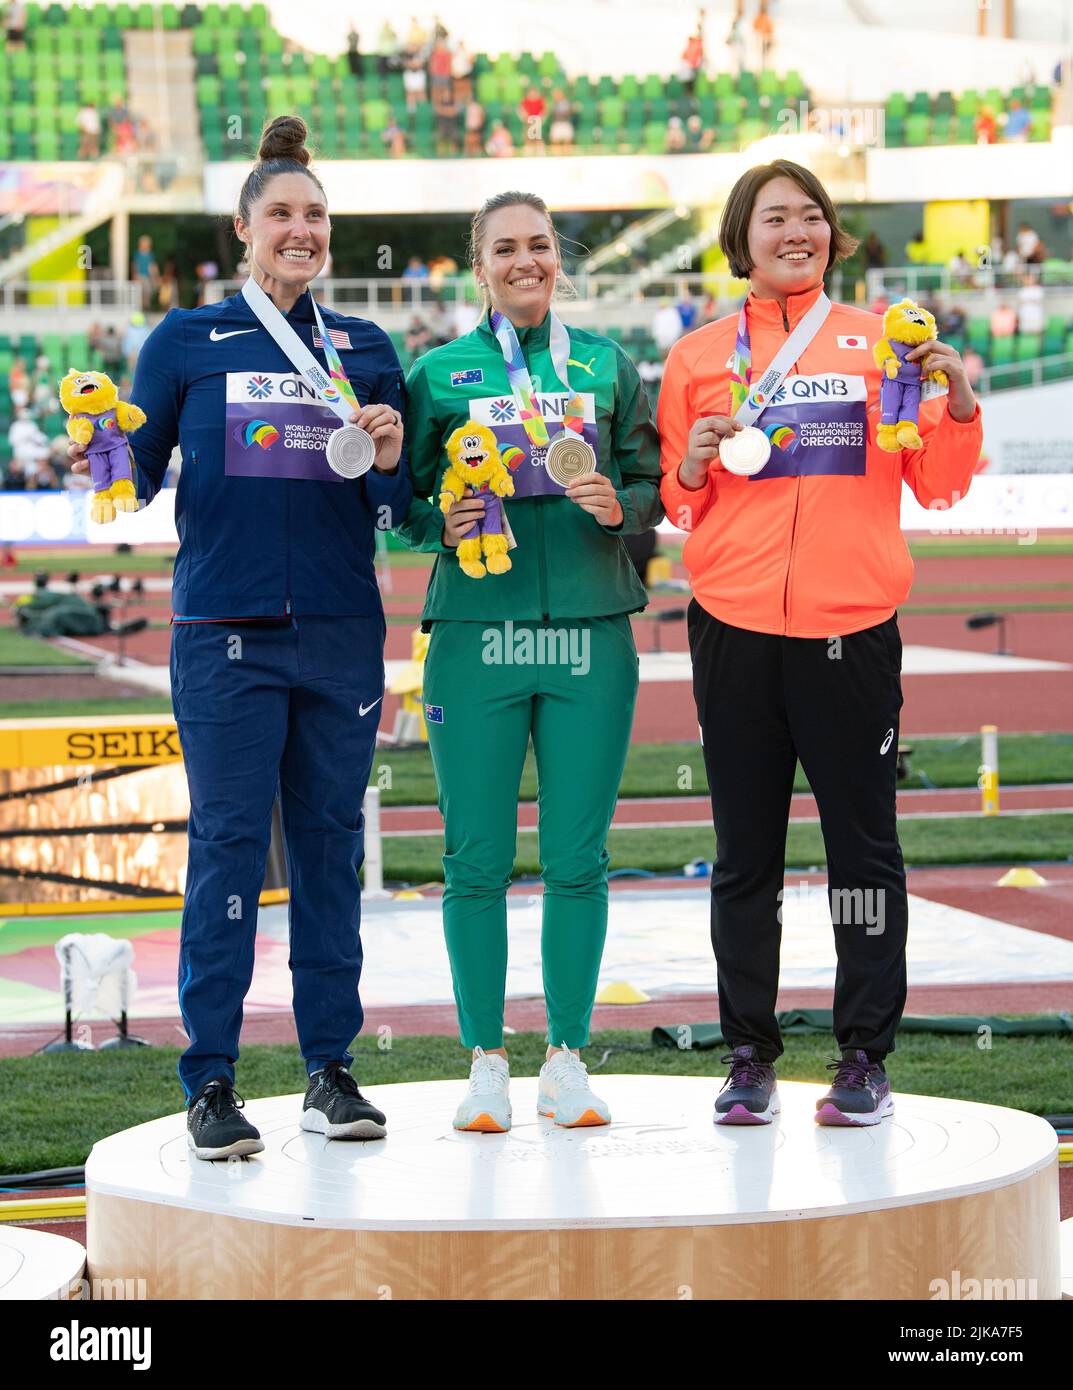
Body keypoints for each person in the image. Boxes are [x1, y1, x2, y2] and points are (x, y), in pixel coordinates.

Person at [65, 116, 411, 1161]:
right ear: (244, 228)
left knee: (327, 853)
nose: (299, 230)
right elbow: (129, 481)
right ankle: (211, 1079)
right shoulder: (183, 339)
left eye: (314, 215)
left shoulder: (367, 347)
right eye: (281, 215)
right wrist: (101, 453)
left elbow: (396, 500)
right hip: (224, 631)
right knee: (224, 847)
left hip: (343, 632)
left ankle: (328, 1070)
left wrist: (393, 453)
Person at [658, 158, 981, 1127]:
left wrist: (956, 405)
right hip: (734, 629)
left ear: (832, 235)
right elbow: (677, 502)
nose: (791, 231)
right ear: (738, 239)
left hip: (851, 629)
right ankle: (748, 1052)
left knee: (862, 855)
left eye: (809, 216)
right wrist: (690, 462)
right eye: (771, 218)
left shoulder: (885, 344)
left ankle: (861, 1055)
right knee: (743, 856)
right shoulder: (696, 356)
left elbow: (935, 483)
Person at [395, 190, 664, 1133]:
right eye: (504, 248)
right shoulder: (436, 373)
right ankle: (481, 1062)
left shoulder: (604, 363)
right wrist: (442, 520)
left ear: (559, 257)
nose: (524, 262)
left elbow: (650, 487)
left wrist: (615, 509)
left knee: (578, 859)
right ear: (478, 265)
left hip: (591, 632)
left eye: (539, 246)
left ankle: (564, 1058)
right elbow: (399, 505)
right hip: (476, 635)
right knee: (474, 859)